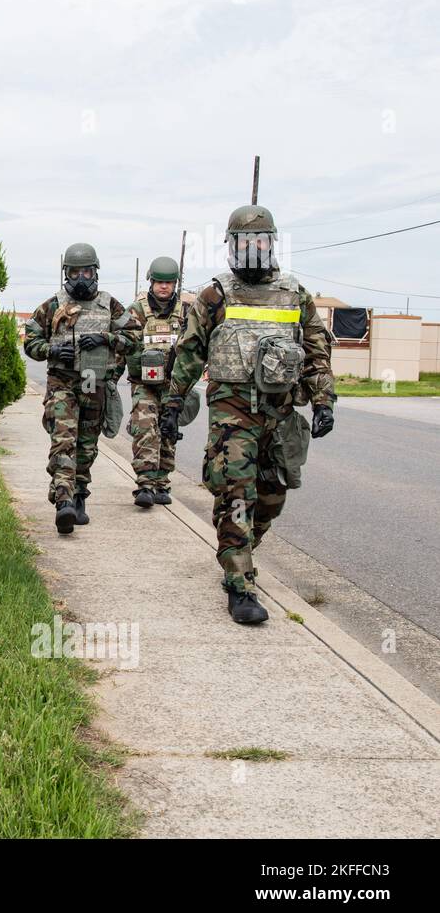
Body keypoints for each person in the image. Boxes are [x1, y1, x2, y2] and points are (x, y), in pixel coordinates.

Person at [159, 206, 336, 624]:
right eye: (243, 242)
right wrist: (171, 405)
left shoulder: (295, 294)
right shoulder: (215, 295)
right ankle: (240, 584)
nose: (252, 249)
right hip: (233, 414)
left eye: (259, 241)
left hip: (280, 413)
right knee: (237, 493)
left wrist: (324, 401)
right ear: (231, 247)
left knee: (272, 497)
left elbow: (316, 352)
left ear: (271, 243)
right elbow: (188, 353)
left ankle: (236, 551)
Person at [23, 243, 140, 534]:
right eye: (74, 272)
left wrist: (106, 339)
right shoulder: (52, 305)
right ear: (66, 274)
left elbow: (134, 337)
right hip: (63, 384)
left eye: (86, 271)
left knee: (86, 446)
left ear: (95, 271)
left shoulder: (109, 305)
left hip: (95, 384)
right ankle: (63, 502)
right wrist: (52, 349)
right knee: (63, 440)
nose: (80, 278)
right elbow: (30, 343)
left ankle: (79, 496)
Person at [122, 256, 190, 508]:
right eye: (159, 282)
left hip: (173, 384)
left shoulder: (185, 313)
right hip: (144, 382)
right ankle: (145, 484)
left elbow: (194, 347)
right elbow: (125, 343)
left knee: (168, 430)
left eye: (169, 282)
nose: (164, 287)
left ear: (175, 284)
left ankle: (162, 482)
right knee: (145, 428)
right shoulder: (136, 310)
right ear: (151, 282)